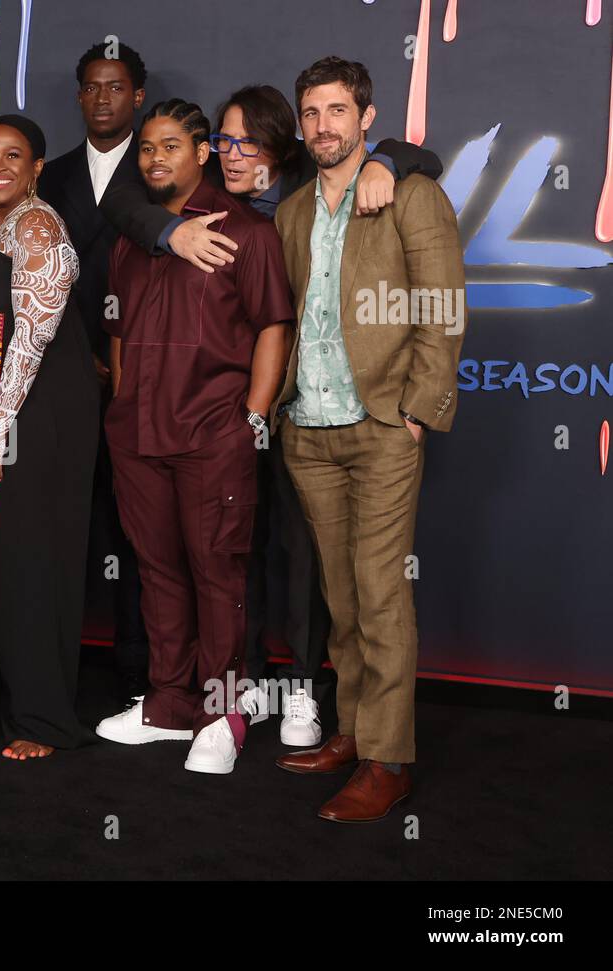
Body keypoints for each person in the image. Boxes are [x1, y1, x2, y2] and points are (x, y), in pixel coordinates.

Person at [103, 83, 443, 745]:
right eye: (226, 141)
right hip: (226, 423)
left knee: (302, 563)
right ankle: (222, 694)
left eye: (247, 142)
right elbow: (120, 209)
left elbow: (275, 325)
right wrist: (169, 231)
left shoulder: (287, 203)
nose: (235, 153)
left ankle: (300, 697)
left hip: (288, 418)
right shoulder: (151, 219)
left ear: (278, 147)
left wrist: (251, 414)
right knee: (213, 562)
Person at [270, 57, 466, 821]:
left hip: (383, 425)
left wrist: (416, 409)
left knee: (382, 593)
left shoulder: (409, 194)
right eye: (311, 112)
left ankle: (390, 760)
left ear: (366, 118)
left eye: (337, 110)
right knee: (342, 593)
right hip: (309, 430)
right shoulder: (290, 212)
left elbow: (443, 307)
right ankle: (356, 727)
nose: (323, 125)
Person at [94, 100, 294, 775]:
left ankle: (220, 713)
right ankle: (169, 705)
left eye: (171, 146)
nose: (156, 159)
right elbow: (117, 330)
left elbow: (273, 324)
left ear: (203, 151)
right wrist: (123, 400)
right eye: (147, 148)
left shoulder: (249, 231)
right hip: (137, 433)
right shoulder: (135, 235)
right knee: (158, 572)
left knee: (217, 576)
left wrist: (255, 414)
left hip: (214, 432)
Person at [0, 115, 99, 759]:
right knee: (6, 552)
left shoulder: (40, 225)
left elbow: (31, 340)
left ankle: (43, 721)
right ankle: (16, 701)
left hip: (39, 409)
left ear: (38, 167)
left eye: (14, 156)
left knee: (35, 555)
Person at [37, 40, 150, 706]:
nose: (102, 98)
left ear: (138, 95)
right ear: (78, 94)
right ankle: (54, 675)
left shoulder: (165, 163)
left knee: (136, 533)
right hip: (63, 375)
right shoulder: (48, 176)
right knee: (61, 527)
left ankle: (139, 677)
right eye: (92, 87)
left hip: (141, 379)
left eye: (116, 87)